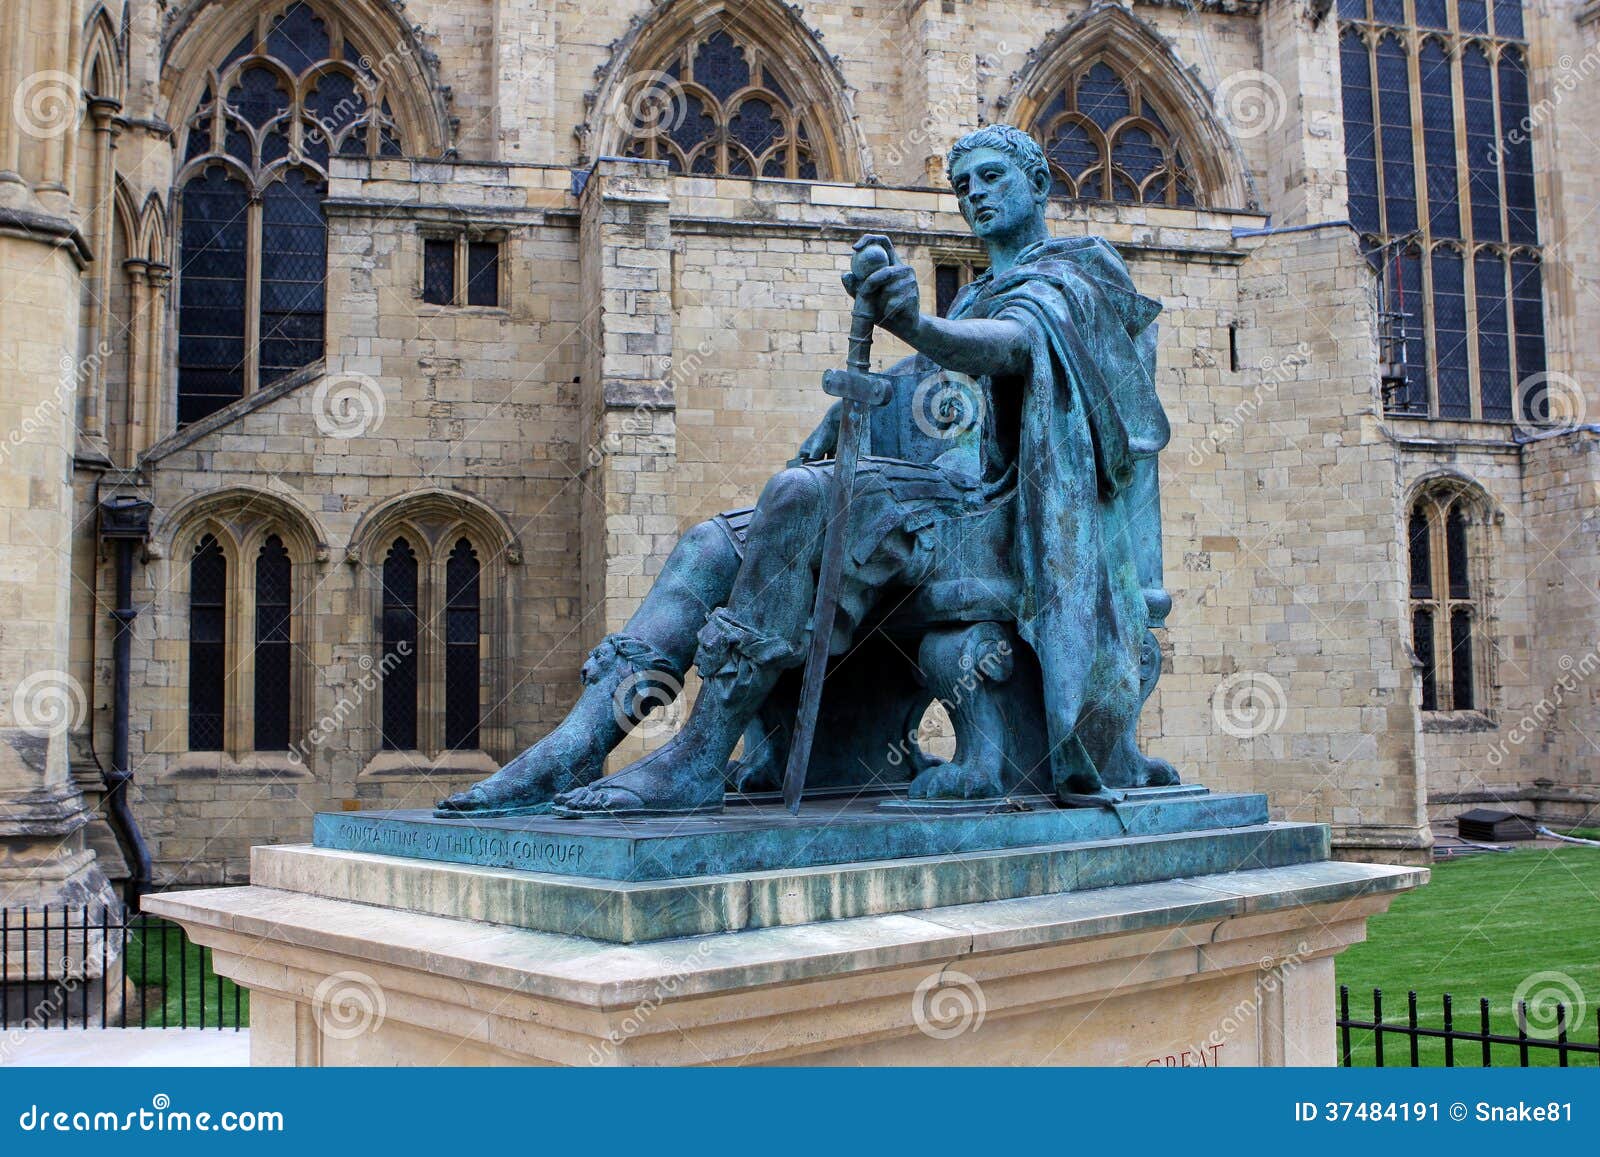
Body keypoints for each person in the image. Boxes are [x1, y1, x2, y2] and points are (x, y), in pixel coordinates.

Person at [436, 124, 1172, 818]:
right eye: (961, 183)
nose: (974, 193)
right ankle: (575, 746)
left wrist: (919, 326)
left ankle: (695, 757)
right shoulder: (979, 291)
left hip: (1006, 522)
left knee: (798, 497)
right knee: (709, 544)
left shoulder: (1080, 272)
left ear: (1038, 182)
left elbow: (1011, 347)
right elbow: (942, 381)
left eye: (991, 176)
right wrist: (863, 406)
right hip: (946, 505)